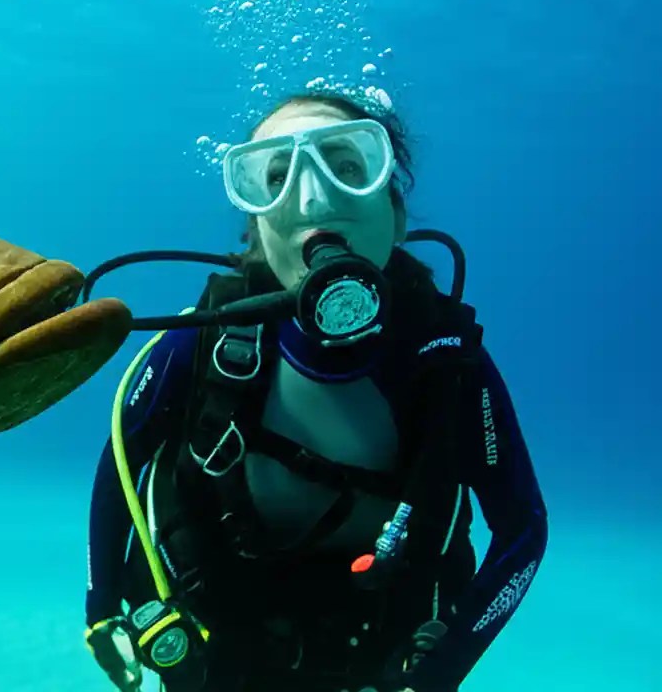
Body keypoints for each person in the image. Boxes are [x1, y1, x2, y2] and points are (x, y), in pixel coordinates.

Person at [80, 90, 548, 692]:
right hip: (218, 635)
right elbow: (121, 460)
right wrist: (104, 606)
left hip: (382, 652)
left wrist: (449, 658)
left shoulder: (449, 366)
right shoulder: (198, 346)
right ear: (256, 231)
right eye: (275, 176)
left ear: (396, 214)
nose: (313, 197)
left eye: (348, 166)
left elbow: (523, 529)